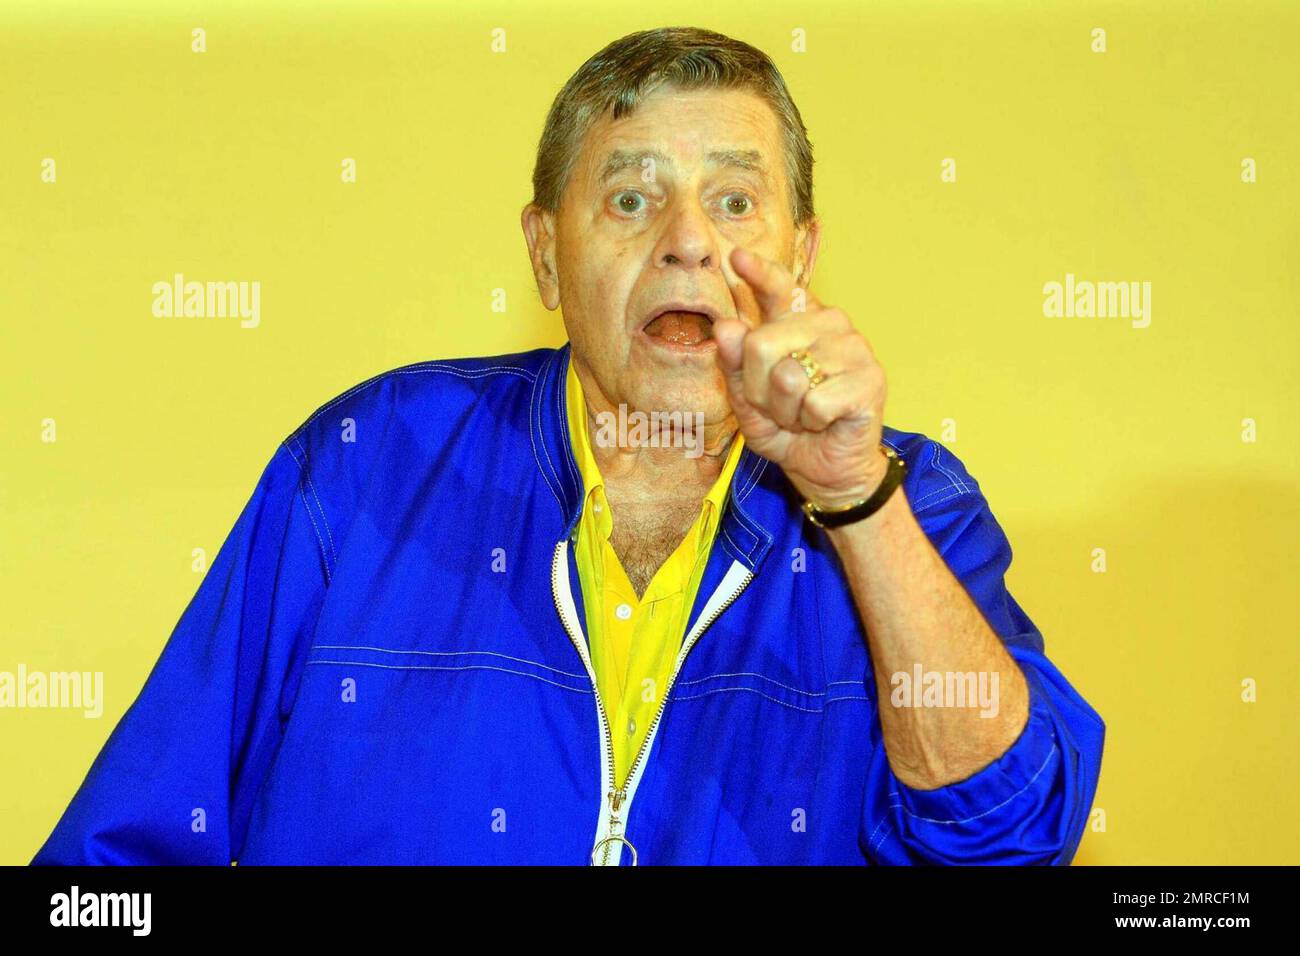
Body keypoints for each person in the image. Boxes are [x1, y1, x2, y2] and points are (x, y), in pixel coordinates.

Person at [32, 26, 1103, 866]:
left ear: (801, 255)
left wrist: (854, 498)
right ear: (546, 259)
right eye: (630, 197)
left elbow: (1004, 838)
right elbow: (112, 866)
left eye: (735, 200)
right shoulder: (364, 467)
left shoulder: (903, 500)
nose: (688, 238)